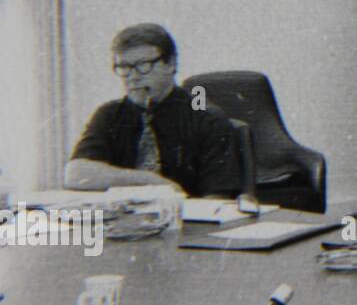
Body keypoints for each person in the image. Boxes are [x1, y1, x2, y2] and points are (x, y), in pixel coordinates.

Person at [66, 23, 240, 196]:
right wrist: (150, 181)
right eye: (124, 67)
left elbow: (217, 201)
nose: (132, 77)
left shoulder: (205, 117)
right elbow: (75, 174)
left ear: (170, 64)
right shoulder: (109, 114)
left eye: (143, 65)